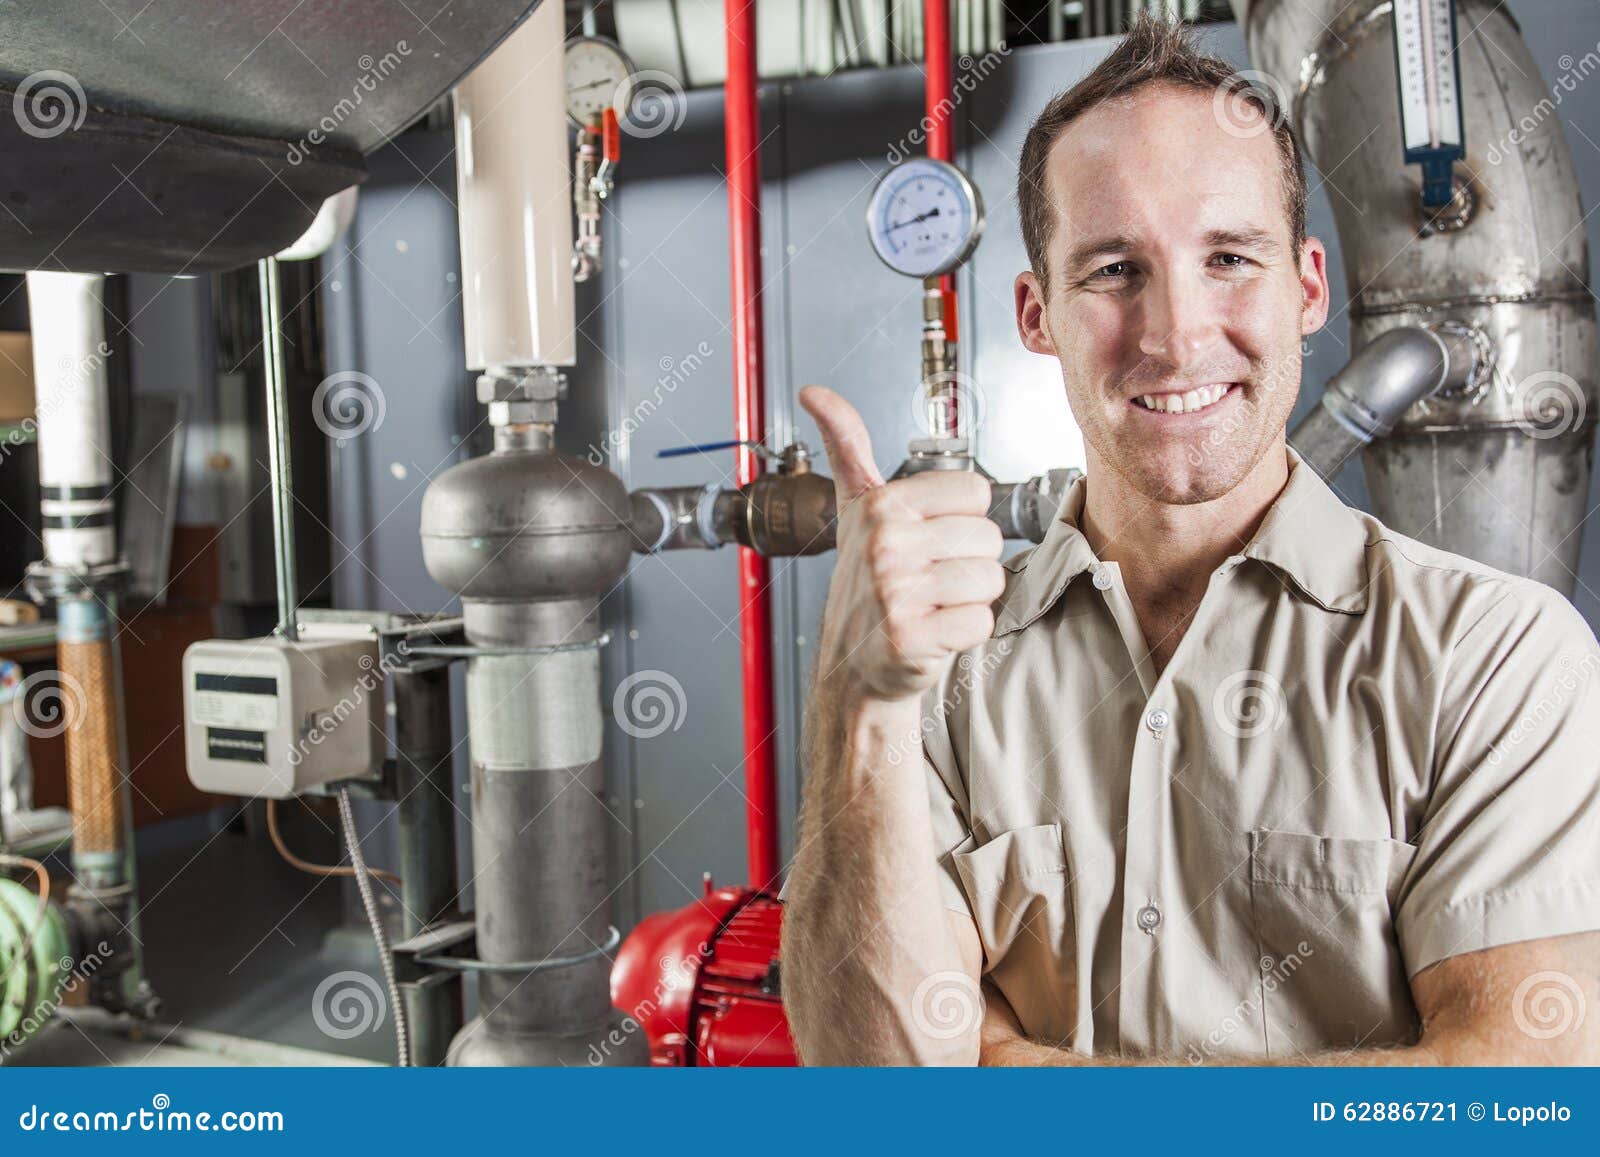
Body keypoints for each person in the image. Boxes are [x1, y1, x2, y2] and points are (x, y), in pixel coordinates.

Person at [780, 16, 1600, 1066]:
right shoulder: (929, 671)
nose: (1175, 334)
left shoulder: (1498, 658)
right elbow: (875, 1085)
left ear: (1307, 287)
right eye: (1115, 269)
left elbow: (1504, 1100)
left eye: (1227, 257)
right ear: (1037, 313)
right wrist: (862, 705)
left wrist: (999, 1065)